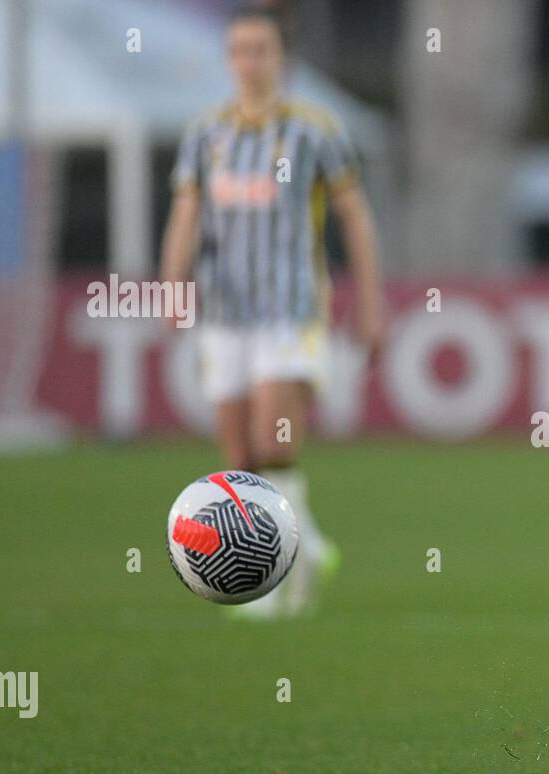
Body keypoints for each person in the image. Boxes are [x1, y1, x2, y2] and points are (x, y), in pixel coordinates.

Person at [160, 6, 385, 618]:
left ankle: (269, 586)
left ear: (280, 57)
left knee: (274, 442)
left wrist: (370, 302)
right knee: (238, 460)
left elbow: (354, 217)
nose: (249, 61)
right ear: (229, 59)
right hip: (225, 313)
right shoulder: (207, 134)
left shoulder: (314, 130)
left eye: (260, 49)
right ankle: (301, 547)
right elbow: (186, 213)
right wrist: (170, 283)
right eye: (238, 50)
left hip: (290, 311)